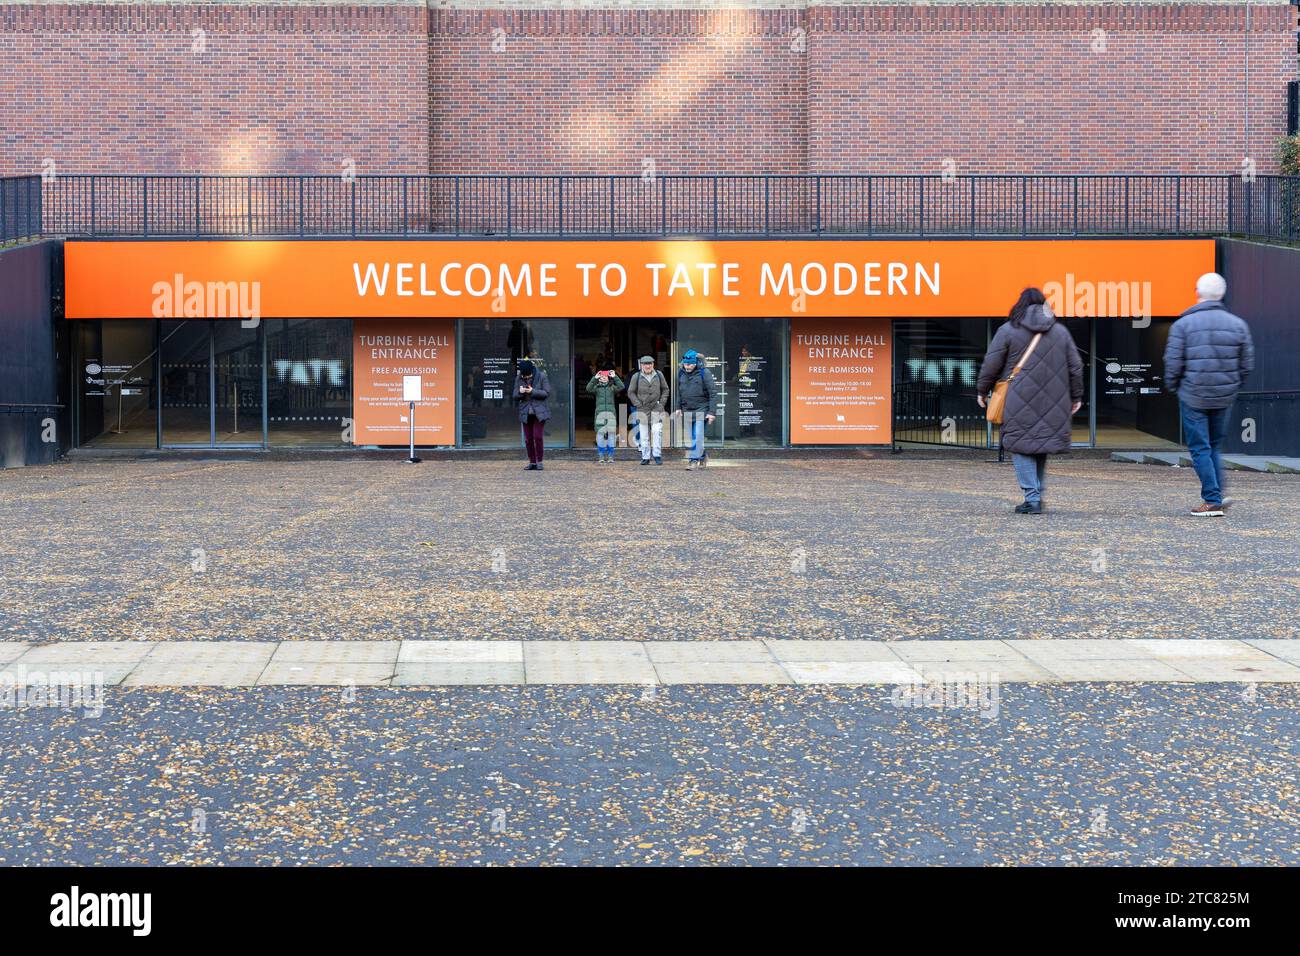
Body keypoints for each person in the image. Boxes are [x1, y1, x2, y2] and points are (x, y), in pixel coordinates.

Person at [977, 288, 1083, 513]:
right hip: (1055, 399)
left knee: (1021, 446)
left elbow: (991, 363)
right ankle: (1036, 495)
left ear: (1020, 305)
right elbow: (1075, 366)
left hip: (1018, 398)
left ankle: (1032, 498)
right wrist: (1076, 396)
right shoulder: (1060, 332)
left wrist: (982, 389)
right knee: (1040, 445)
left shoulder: (1008, 330)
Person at [1163, 272, 1254, 517]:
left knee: (1200, 448)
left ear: (1197, 292)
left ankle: (1212, 500)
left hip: (1193, 395)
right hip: (1224, 396)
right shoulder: (1237, 324)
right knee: (1213, 445)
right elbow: (1246, 364)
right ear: (1221, 294)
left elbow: (1173, 362)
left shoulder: (1183, 324)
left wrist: (1175, 387)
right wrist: (1233, 386)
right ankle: (1217, 494)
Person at [677, 348, 717, 470]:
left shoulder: (705, 373)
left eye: (690, 364)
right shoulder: (681, 373)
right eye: (685, 364)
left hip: (701, 409)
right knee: (692, 437)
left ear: (695, 363)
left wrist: (711, 412)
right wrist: (678, 407)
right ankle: (703, 455)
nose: (687, 366)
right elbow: (680, 392)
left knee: (698, 435)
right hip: (687, 409)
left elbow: (713, 393)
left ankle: (693, 460)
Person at [625, 355, 669, 465]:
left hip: (656, 408)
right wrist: (638, 404)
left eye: (650, 364)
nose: (648, 366)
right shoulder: (636, 376)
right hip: (642, 409)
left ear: (653, 364)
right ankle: (645, 457)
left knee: (656, 431)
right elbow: (631, 392)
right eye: (645, 364)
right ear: (642, 365)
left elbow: (665, 389)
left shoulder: (659, 375)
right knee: (644, 434)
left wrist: (661, 403)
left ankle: (657, 455)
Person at [514, 358, 551, 471]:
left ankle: (539, 461)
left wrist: (532, 391)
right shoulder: (519, 378)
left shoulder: (542, 376)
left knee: (538, 436)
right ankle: (532, 462)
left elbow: (546, 392)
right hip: (526, 411)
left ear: (532, 371)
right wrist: (520, 392)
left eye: (528, 376)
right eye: (524, 376)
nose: (526, 378)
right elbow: (514, 395)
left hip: (539, 411)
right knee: (528, 439)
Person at [586, 365, 625, 463]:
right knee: (600, 434)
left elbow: (622, 386)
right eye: (601, 376)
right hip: (600, 414)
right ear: (599, 378)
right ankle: (601, 456)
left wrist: (615, 376)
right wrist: (594, 378)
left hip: (611, 414)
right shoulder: (596, 388)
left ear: (608, 377)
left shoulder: (612, 388)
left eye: (605, 376)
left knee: (611, 434)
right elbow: (588, 388)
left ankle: (611, 456)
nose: (603, 377)